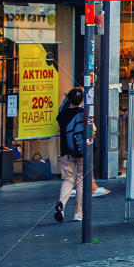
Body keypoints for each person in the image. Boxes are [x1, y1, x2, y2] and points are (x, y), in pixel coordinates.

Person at [55, 87, 87, 224]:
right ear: (82, 100)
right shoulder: (84, 113)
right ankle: (78, 213)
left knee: (68, 179)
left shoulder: (62, 114)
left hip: (66, 151)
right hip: (81, 151)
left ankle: (61, 203)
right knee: (80, 181)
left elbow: (59, 130)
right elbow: (93, 130)